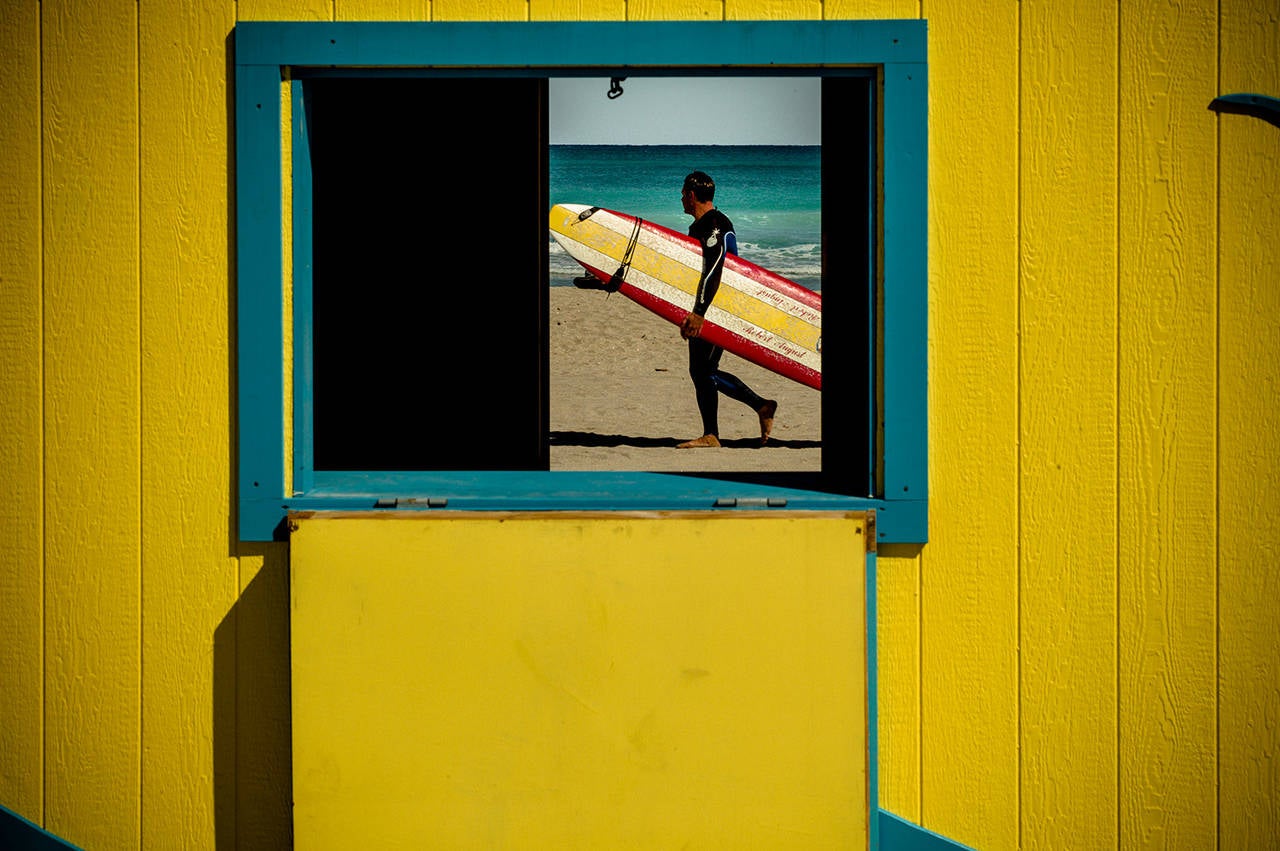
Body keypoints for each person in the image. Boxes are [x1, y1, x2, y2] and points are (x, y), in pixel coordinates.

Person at [676, 171, 777, 448]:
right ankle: (722, 428)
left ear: (692, 195)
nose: (681, 198)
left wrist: (699, 311)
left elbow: (715, 265)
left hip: (717, 306)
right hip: (707, 304)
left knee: (704, 371)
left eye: (683, 193)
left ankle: (750, 412)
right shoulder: (700, 226)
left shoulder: (714, 223)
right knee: (701, 370)